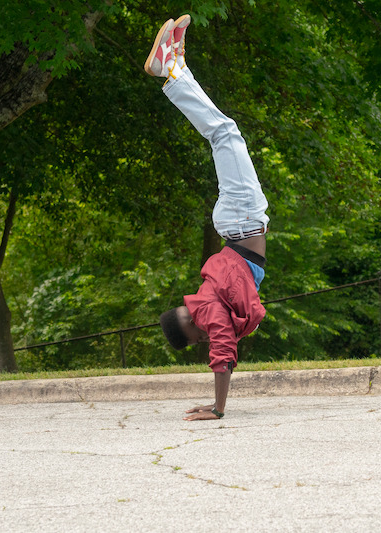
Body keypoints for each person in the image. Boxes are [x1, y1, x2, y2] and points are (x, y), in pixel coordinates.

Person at [144, 15, 270, 421]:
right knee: (224, 133)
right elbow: (222, 346)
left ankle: (170, 71)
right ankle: (175, 66)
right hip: (239, 222)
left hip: (242, 219)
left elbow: (222, 356)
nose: (208, 339)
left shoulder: (209, 312)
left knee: (224, 133)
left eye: (200, 339)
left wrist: (217, 408)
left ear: (193, 329)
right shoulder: (208, 301)